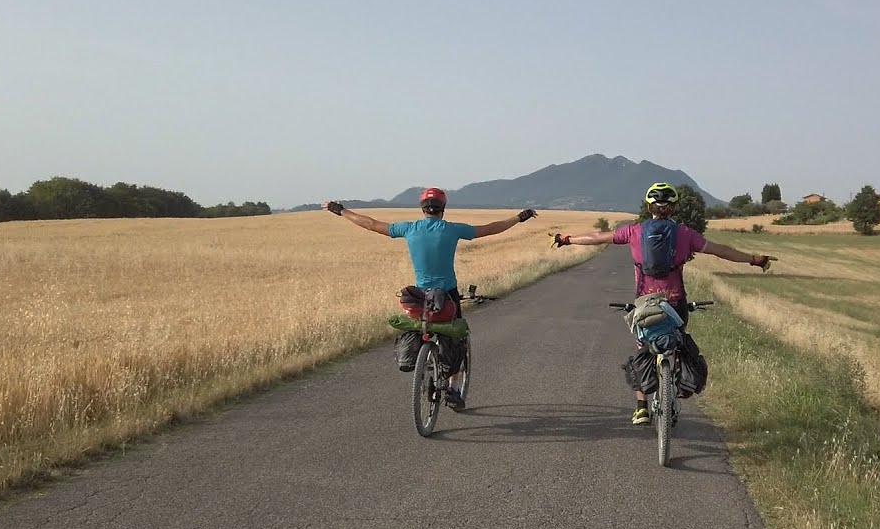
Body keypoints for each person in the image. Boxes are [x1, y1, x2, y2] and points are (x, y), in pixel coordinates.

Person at [550, 182, 777, 424]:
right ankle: (674, 389)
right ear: (675, 207)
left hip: (645, 304)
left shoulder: (634, 231)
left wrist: (567, 239)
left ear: (649, 208)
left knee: (642, 349)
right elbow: (720, 250)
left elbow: (597, 238)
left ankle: (641, 408)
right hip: (676, 302)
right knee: (676, 344)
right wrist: (754, 259)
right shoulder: (685, 234)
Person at [323, 188, 537, 410]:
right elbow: (490, 229)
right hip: (447, 296)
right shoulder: (451, 229)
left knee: (422, 327)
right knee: (457, 338)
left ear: (423, 209)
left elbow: (370, 224)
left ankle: (424, 360)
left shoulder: (409, 228)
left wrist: (340, 210)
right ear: (443, 208)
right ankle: (453, 389)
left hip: (419, 297)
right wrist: (519, 217)